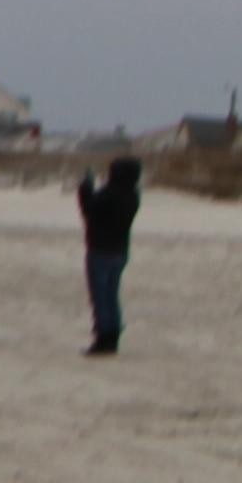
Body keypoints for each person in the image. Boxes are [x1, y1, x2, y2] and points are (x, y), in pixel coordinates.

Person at [79, 153, 139, 357]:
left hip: (101, 250)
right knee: (111, 295)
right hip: (119, 251)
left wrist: (85, 189)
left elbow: (89, 210)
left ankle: (104, 337)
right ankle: (112, 335)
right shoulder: (132, 195)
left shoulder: (111, 193)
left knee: (101, 297)